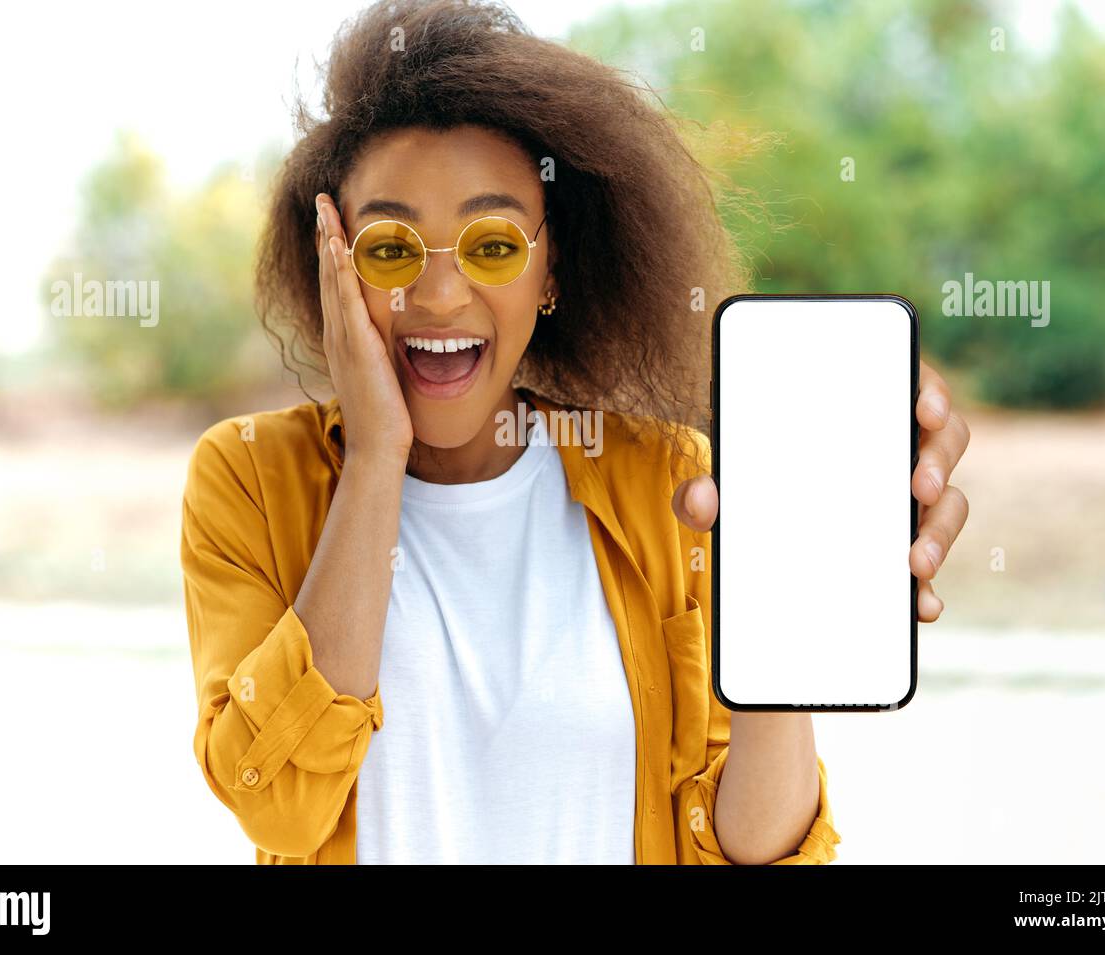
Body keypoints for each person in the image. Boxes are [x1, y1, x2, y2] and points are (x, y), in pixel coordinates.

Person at [181, 0, 971, 864]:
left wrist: (780, 633)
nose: (440, 297)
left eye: (491, 247)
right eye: (390, 250)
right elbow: (277, 805)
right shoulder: (250, 478)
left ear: (551, 269)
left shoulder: (670, 482)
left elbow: (753, 851)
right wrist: (377, 458)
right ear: (332, 265)